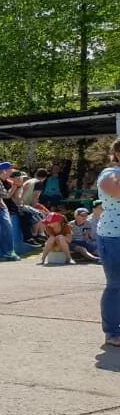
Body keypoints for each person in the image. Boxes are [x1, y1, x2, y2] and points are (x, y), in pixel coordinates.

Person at [96, 142, 120, 346]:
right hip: (114, 236)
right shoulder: (109, 174)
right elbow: (115, 191)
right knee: (116, 285)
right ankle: (112, 332)